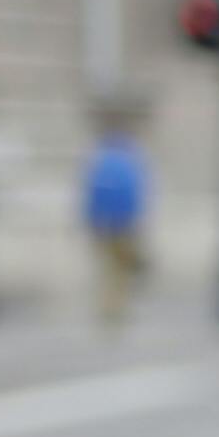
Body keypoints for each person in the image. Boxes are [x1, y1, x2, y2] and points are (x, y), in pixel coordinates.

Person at [81, 128, 149, 331]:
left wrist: (92, 222)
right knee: (120, 272)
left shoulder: (100, 165)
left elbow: (91, 196)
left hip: (103, 226)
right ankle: (117, 310)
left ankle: (108, 309)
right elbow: (137, 197)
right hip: (124, 227)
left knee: (107, 270)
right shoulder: (129, 166)